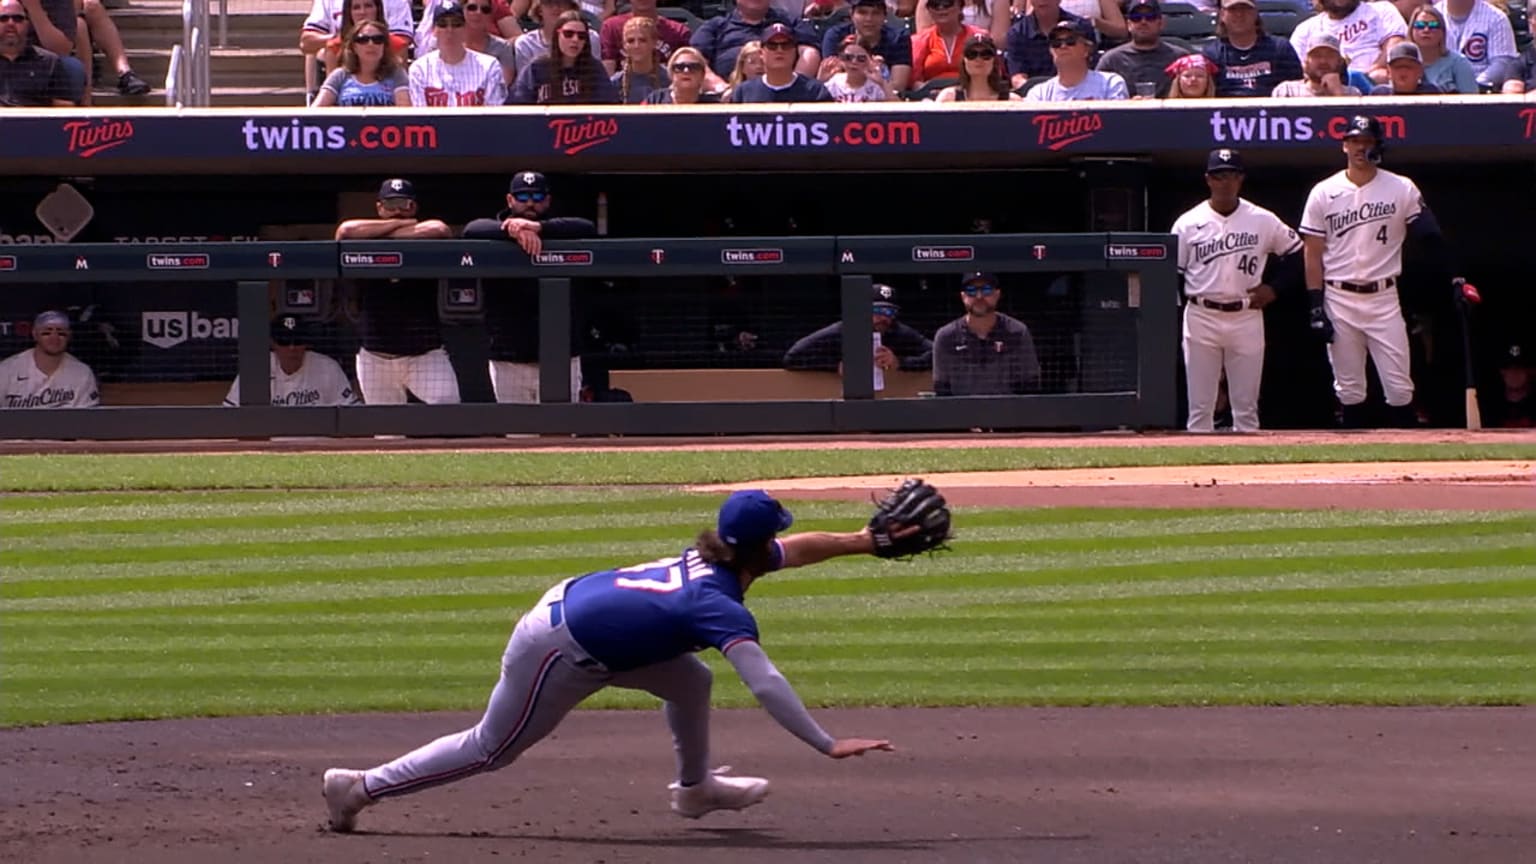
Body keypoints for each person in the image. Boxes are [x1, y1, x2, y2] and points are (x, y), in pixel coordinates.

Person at [321, 488, 909, 833]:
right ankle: (359, 787)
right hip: (559, 646)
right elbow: (765, 681)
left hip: (586, 617)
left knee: (690, 680)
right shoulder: (718, 603)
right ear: (753, 548)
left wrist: (865, 540)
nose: (784, 541)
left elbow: (798, 549)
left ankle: (695, 788)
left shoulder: (720, 557)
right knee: (492, 747)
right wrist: (824, 742)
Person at [1300, 115, 1468, 429]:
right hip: (1339, 295)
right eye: (1355, 141)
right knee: (1349, 388)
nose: (1361, 148)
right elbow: (1312, 250)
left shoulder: (1400, 187)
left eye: (1368, 142)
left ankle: (1404, 467)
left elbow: (1430, 236)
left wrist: (1454, 276)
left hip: (1383, 296)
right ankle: (1355, 465)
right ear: (1344, 145)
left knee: (1399, 385)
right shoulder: (1324, 191)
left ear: (1378, 147)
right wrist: (1315, 303)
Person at [1170, 148, 1303, 434]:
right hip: (1201, 314)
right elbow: (1174, 276)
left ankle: (1246, 476)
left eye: (1231, 175)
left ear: (1241, 179)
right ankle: (1198, 475)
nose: (1225, 182)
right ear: (1208, 179)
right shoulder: (1187, 223)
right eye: (1219, 176)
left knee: (1246, 409)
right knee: (1200, 408)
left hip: (1245, 314)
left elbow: (1297, 253)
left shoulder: (1262, 219)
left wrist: (1275, 288)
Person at [463, 171, 595, 404]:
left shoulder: (561, 231)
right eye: (523, 197)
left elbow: (587, 227)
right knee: (516, 435)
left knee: (562, 432)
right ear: (510, 200)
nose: (531, 202)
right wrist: (511, 229)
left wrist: (538, 228)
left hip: (561, 357)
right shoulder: (492, 232)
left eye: (537, 196)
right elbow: (471, 229)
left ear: (548, 200)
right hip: (509, 358)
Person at [334, 178, 461, 405]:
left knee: (448, 411)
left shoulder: (425, 236)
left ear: (414, 207)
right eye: (391, 205)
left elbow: (440, 229)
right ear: (379, 208)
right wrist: (398, 226)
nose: (398, 211)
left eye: (404, 204)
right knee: (386, 433)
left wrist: (382, 236)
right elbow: (345, 231)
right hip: (375, 357)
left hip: (424, 357)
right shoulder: (364, 235)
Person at [783, 283, 934, 375]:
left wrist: (900, 362)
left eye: (890, 312)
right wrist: (836, 365)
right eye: (878, 311)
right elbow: (792, 358)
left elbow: (936, 354)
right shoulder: (842, 330)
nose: (884, 318)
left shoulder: (897, 330)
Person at [931, 272, 1042, 397]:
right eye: (971, 291)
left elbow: (1029, 384)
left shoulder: (1017, 332)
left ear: (997, 294)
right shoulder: (946, 337)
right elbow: (941, 388)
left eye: (986, 290)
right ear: (963, 297)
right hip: (961, 413)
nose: (979, 296)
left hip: (1009, 413)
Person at [223, 316, 361, 408]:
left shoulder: (327, 368)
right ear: (273, 344)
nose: (292, 348)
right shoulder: (256, 370)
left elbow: (352, 411)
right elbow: (229, 413)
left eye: (298, 341)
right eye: (284, 341)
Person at [692, 0, 820, 82]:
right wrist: (718, 86)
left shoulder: (791, 22)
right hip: (726, 96)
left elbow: (810, 52)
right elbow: (694, 59)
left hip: (782, 95)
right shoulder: (716, 26)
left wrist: (794, 85)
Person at [510, 10, 619, 103]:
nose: (575, 40)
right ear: (557, 36)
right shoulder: (536, 68)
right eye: (568, 34)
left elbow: (608, 109)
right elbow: (518, 108)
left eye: (581, 36)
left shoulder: (594, 69)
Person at [410, 1, 507, 106]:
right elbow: (420, 117)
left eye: (456, 24)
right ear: (434, 30)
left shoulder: (489, 66)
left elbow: (493, 116)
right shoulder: (419, 69)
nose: (450, 30)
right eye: (443, 24)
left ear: (465, 28)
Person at [0, 310, 99, 408]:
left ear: (69, 336)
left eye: (61, 333)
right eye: (47, 333)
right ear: (35, 335)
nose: (54, 338)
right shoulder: (6, 370)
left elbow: (86, 419)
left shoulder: (82, 373)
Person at [1202, 0, 1301, 97]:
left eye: (1245, 9)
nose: (1239, 14)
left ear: (1255, 13)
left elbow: (1296, 86)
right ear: (1222, 15)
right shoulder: (1212, 54)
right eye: (1232, 9)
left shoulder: (1280, 48)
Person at [1095, 0, 1188, 98]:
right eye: (1136, 18)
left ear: (1161, 23)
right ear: (1129, 25)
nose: (1143, 22)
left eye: (1150, 17)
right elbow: (1098, 94)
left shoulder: (1180, 58)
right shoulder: (1111, 60)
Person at [1288, 0, 1405, 77]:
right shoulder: (1305, 29)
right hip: (1323, 89)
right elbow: (1297, 68)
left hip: (1372, 83)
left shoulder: (1381, 10)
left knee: (1381, 75)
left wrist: (1369, 73)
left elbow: (1395, 45)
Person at [819, 0, 912, 92]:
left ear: (885, 16)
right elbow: (831, 78)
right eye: (862, 12)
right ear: (851, 15)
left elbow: (898, 86)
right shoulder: (836, 36)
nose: (869, 19)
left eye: (876, 13)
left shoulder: (898, 38)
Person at [313, 20, 411, 106]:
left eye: (378, 39)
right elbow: (315, 112)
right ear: (354, 47)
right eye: (363, 40)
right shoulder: (340, 76)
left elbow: (405, 114)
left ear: (384, 46)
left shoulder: (397, 74)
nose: (371, 44)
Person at [1024, 19, 1128, 100]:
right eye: (1056, 43)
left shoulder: (1110, 83)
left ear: (1086, 49)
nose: (1063, 46)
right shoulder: (1039, 93)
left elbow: (1115, 123)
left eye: (1070, 41)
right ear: (1051, 51)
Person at [728, 21, 834, 101]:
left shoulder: (815, 91)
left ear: (795, 51)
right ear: (761, 53)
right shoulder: (743, 92)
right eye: (772, 46)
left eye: (786, 45)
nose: (779, 50)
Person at [304, 0, 415, 72]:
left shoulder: (397, 45)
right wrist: (346, 37)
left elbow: (403, 95)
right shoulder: (334, 48)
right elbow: (306, 43)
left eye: (368, 6)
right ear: (349, 12)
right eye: (356, 7)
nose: (362, 12)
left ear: (378, 9)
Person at [0, 0, 72, 106]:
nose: (10, 23)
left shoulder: (50, 62)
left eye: (18, 19)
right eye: (3, 18)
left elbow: (65, 108)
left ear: (28, 24)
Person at [1007, 0, 1095, 86]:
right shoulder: (1018, 33)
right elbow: (1018, 78)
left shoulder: (1082, 27)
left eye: (1069, 41)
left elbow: (1092, 69)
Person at [1433, 0, 1517, 86]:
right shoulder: (1431, 17)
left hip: (1482, 93)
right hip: (1437, 89)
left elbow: (1502, 63)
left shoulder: (1497, 18)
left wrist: (1473, 85)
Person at [600, 0, 693, 75]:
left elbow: (686, 73)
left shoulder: (679, 31)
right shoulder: (611, 27)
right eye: (631, 41)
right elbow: (608, 73)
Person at [911, 0, 984, 88]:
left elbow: (990, 73)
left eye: (947, 3)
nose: (941, 8)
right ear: (929, 10)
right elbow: (914, 81)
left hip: (971, 93)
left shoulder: (978, 36)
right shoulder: (920, 40)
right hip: (931, 96)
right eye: (935, 5)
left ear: (960, 7)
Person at [1408, 4, 1478, 94]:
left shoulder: (1459, 63)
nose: (1426, 30)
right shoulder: (1402, 62)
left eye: (1433, 25)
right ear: (1411, 30)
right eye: (1420, 25)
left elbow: (1472, 102)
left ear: (1442, 32)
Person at [514, 0, 600, 73]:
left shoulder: (590, 38)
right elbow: (526, 86)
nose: (556, 7)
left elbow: (595, 78)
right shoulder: (526, 44)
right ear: (539, 9)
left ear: (572, 8)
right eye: (549, 2)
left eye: (563, 2)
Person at [1271, 32, 1362, 96]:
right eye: (1316, 56)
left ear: (1339, 61)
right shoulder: (1287, 90)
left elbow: (1351, 122)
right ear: (1306, 61)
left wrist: (1337, 93)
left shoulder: (1352, 93)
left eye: (1330, 56)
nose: (1323, 61)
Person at [935, 31, 1020, 99]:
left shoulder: (1012, 100)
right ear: (964, 61)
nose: (978, 59)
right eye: (972, 54)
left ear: (994, 61)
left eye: (986, 54)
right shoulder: (948, 99)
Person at [819, 32, 894, 100]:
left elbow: (898, 110)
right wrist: (820, 82)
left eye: (861, 59)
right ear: (840, 59)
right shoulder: (834, 82)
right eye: (848, 57)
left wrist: (882, 84)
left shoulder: (876, 85)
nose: (854, 62)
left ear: (870, 60)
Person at [612, 15, 670, 103]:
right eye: (631, 41)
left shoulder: (669, 79)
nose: (636, 46)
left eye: (642, 40)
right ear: (624, 45)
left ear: (654, 43)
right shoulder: (615, 83)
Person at [1482, 341, 1533, 428]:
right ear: (1502, 371)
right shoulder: (1491, 407)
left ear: (1529, 371)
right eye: (1509, 368)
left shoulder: (1533, 405)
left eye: (1519, 368)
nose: (1514, 373)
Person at [644, 45, 723, 102]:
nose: (686, 71)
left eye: (693, 67)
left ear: (702, 75)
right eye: (680, 67)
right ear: (671, 73)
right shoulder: (655, 99)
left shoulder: (713, 105)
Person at [1369, 41, 1441, 94]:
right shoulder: (1379, 95)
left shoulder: (1431, 94)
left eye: (1408, 67)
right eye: (1398, 67)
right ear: (1388, 72)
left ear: (1420, 71)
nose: (1403, 72)